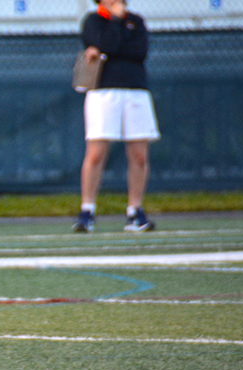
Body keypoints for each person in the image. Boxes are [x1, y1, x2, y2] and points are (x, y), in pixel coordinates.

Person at [74, 0, 157, 233]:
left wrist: (111, 47)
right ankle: (87, 211)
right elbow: (107, 43)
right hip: (104, 92)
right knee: (96, 153)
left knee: (139, 155)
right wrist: (116, 23)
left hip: (136, 92)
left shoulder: (136, 21)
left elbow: (139, 51)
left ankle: (135, 212)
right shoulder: (93, 21)